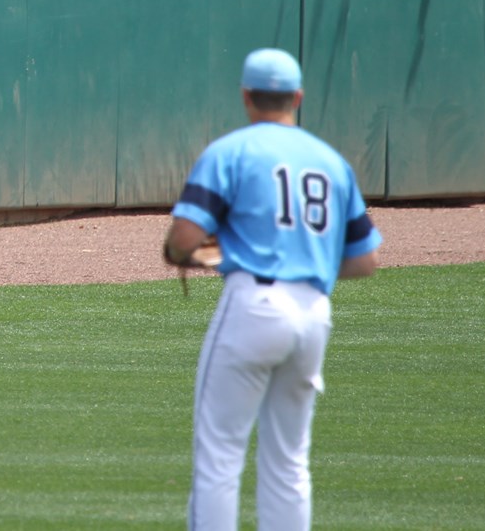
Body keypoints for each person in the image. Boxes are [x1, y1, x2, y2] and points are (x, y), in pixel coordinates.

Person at [163, 48, 383, 531]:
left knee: (219, 456)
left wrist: (190, 254)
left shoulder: (230, 151)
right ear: (298, 98)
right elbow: (364, 260)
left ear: (246, 97)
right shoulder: (331, 161)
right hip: (313, 314)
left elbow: (182, 238)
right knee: (288, 462)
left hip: (254, 305)